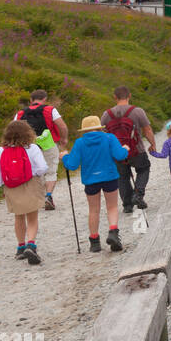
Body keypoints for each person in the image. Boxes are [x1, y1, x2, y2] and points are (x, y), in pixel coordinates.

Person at [0, 119, 50, 265]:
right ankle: (31, 245)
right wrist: (33, 174)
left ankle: (20, 248)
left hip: (11, 187)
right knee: (32, 218)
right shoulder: (32, 148)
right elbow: (43, 168)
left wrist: (2, 182)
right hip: (31, 184)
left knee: (19, 217)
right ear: (28, 132)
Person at [61, 115, 129, 252]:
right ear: (99, 127)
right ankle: (113, 232)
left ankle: (94, 242)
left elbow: (72, 165)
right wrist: (125, 149)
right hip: (109, 177)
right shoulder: (109, 138)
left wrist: (64, 157)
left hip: (91, 180)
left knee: (93, 210)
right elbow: (120, 155)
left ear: (84, 130)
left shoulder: (80, 143)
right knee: (112, 207)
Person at [100, 86, 156, 214]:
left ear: (115, 97)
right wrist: (152, 144)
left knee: (122, 177)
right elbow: (147, 129)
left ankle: (127, 205)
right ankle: (138, 194)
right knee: (143, 169)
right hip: (136, 150)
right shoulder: (137, 111)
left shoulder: (106, 114)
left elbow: (103, 134)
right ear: (129, 95)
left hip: (117, 152)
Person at [15, 89, 69, 211]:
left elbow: (13, 129)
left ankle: (33, 198)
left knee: (32, 171)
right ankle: (48, 197)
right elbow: (62, 126)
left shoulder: (20, 113)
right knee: (51, 171)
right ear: (44, 99)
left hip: (28, 146)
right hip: (49, 143)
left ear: (31, 100)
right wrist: (64, 139)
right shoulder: (50, 109)